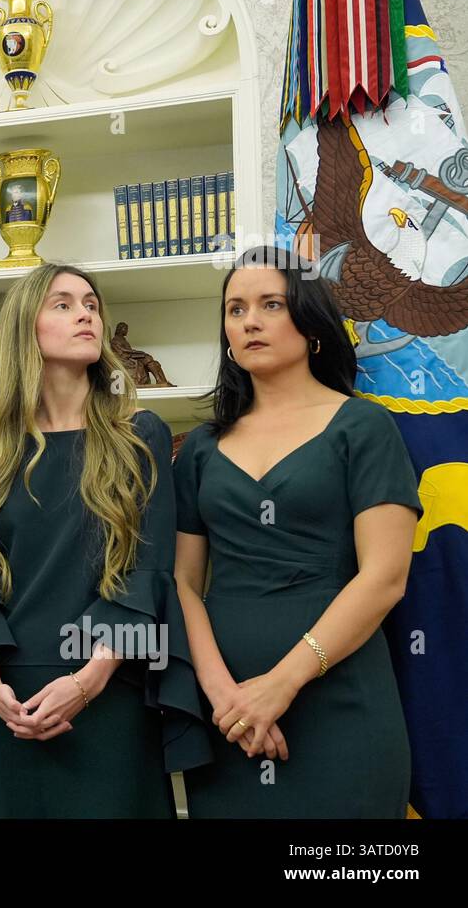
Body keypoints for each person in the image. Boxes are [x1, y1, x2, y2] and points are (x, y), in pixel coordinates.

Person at [0, 264, 209, 817]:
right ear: (24, 329)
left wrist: (85, 683)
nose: (85, 313)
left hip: (110, 689)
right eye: (62, 304)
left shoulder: (142, 433)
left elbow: (146, 573)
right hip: (9, 699)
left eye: (91, 304)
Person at [173, 247, 420, 818]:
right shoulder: (201, 448)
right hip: (229, 722)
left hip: (339, 704)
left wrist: (279, 686)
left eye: (270, 305)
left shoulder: (364, 427)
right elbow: (183, 583)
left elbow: (385, 578)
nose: (249, 321)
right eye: (235, 310)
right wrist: (224, 696)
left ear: (310, 324)